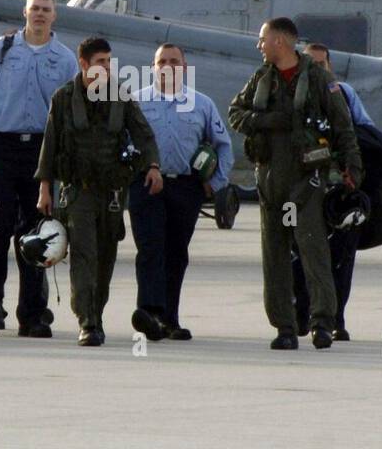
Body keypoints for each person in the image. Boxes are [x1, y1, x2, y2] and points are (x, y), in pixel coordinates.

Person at [228, 17, 362, 351]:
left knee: (313, 251)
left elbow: (342, 125)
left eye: (264, 39)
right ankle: (285, 326)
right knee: (274, 256)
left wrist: (352, 169)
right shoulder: (262, 79)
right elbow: (235, 113)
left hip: (306, 182)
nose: (260, 46)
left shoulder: (318, 78)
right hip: (271, 180)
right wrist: (266, 121)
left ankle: (321, 323)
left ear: (281, 41)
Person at [36, 37, 161, 347]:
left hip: (112, 193)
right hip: (78, 191)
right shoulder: (64, 98)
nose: (106, 67)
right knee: (83, 255)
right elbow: (50, 145)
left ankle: (97, 313)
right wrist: (44, 188)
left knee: (105, 257)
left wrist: (153, 166)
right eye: (100, 62)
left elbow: (143, 134)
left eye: (108, 61)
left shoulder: (120, 95)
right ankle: (87, 321)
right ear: (84, 64)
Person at [0, 0, 78, 337]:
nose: (40, 15)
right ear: (25, 12)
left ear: (55, 16)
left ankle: (31, 314)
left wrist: (60, 162)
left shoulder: (64, 59)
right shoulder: (1, 50)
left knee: (37, 236)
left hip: (40, 155)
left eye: (46, 9)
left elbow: (70, 115)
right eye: (35, 9)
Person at [128, 43, 234, 342]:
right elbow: (123, 144)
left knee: (176, 253)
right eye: (162, 61)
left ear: (185, 68)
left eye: (174, 61)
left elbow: (223, 146)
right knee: (150, 248)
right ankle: (148, 312)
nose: (168, 66)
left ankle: (169, 319)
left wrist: (215, 184)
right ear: (153, 67)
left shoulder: (202, 104)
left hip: (185, 187)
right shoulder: (135, 102)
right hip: (147, 184)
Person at [291, 42, 377, 340]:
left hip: (338, 192)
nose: (316, 68)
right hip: (302, 190)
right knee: (299, 255)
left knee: (341, 258)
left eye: (321, 63)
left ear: (329, 66)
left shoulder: (343, 94)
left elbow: (366, 134)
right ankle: (303, 314)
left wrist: (349, 168)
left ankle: (335, 319)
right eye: (310, 63)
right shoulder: (291, 93)